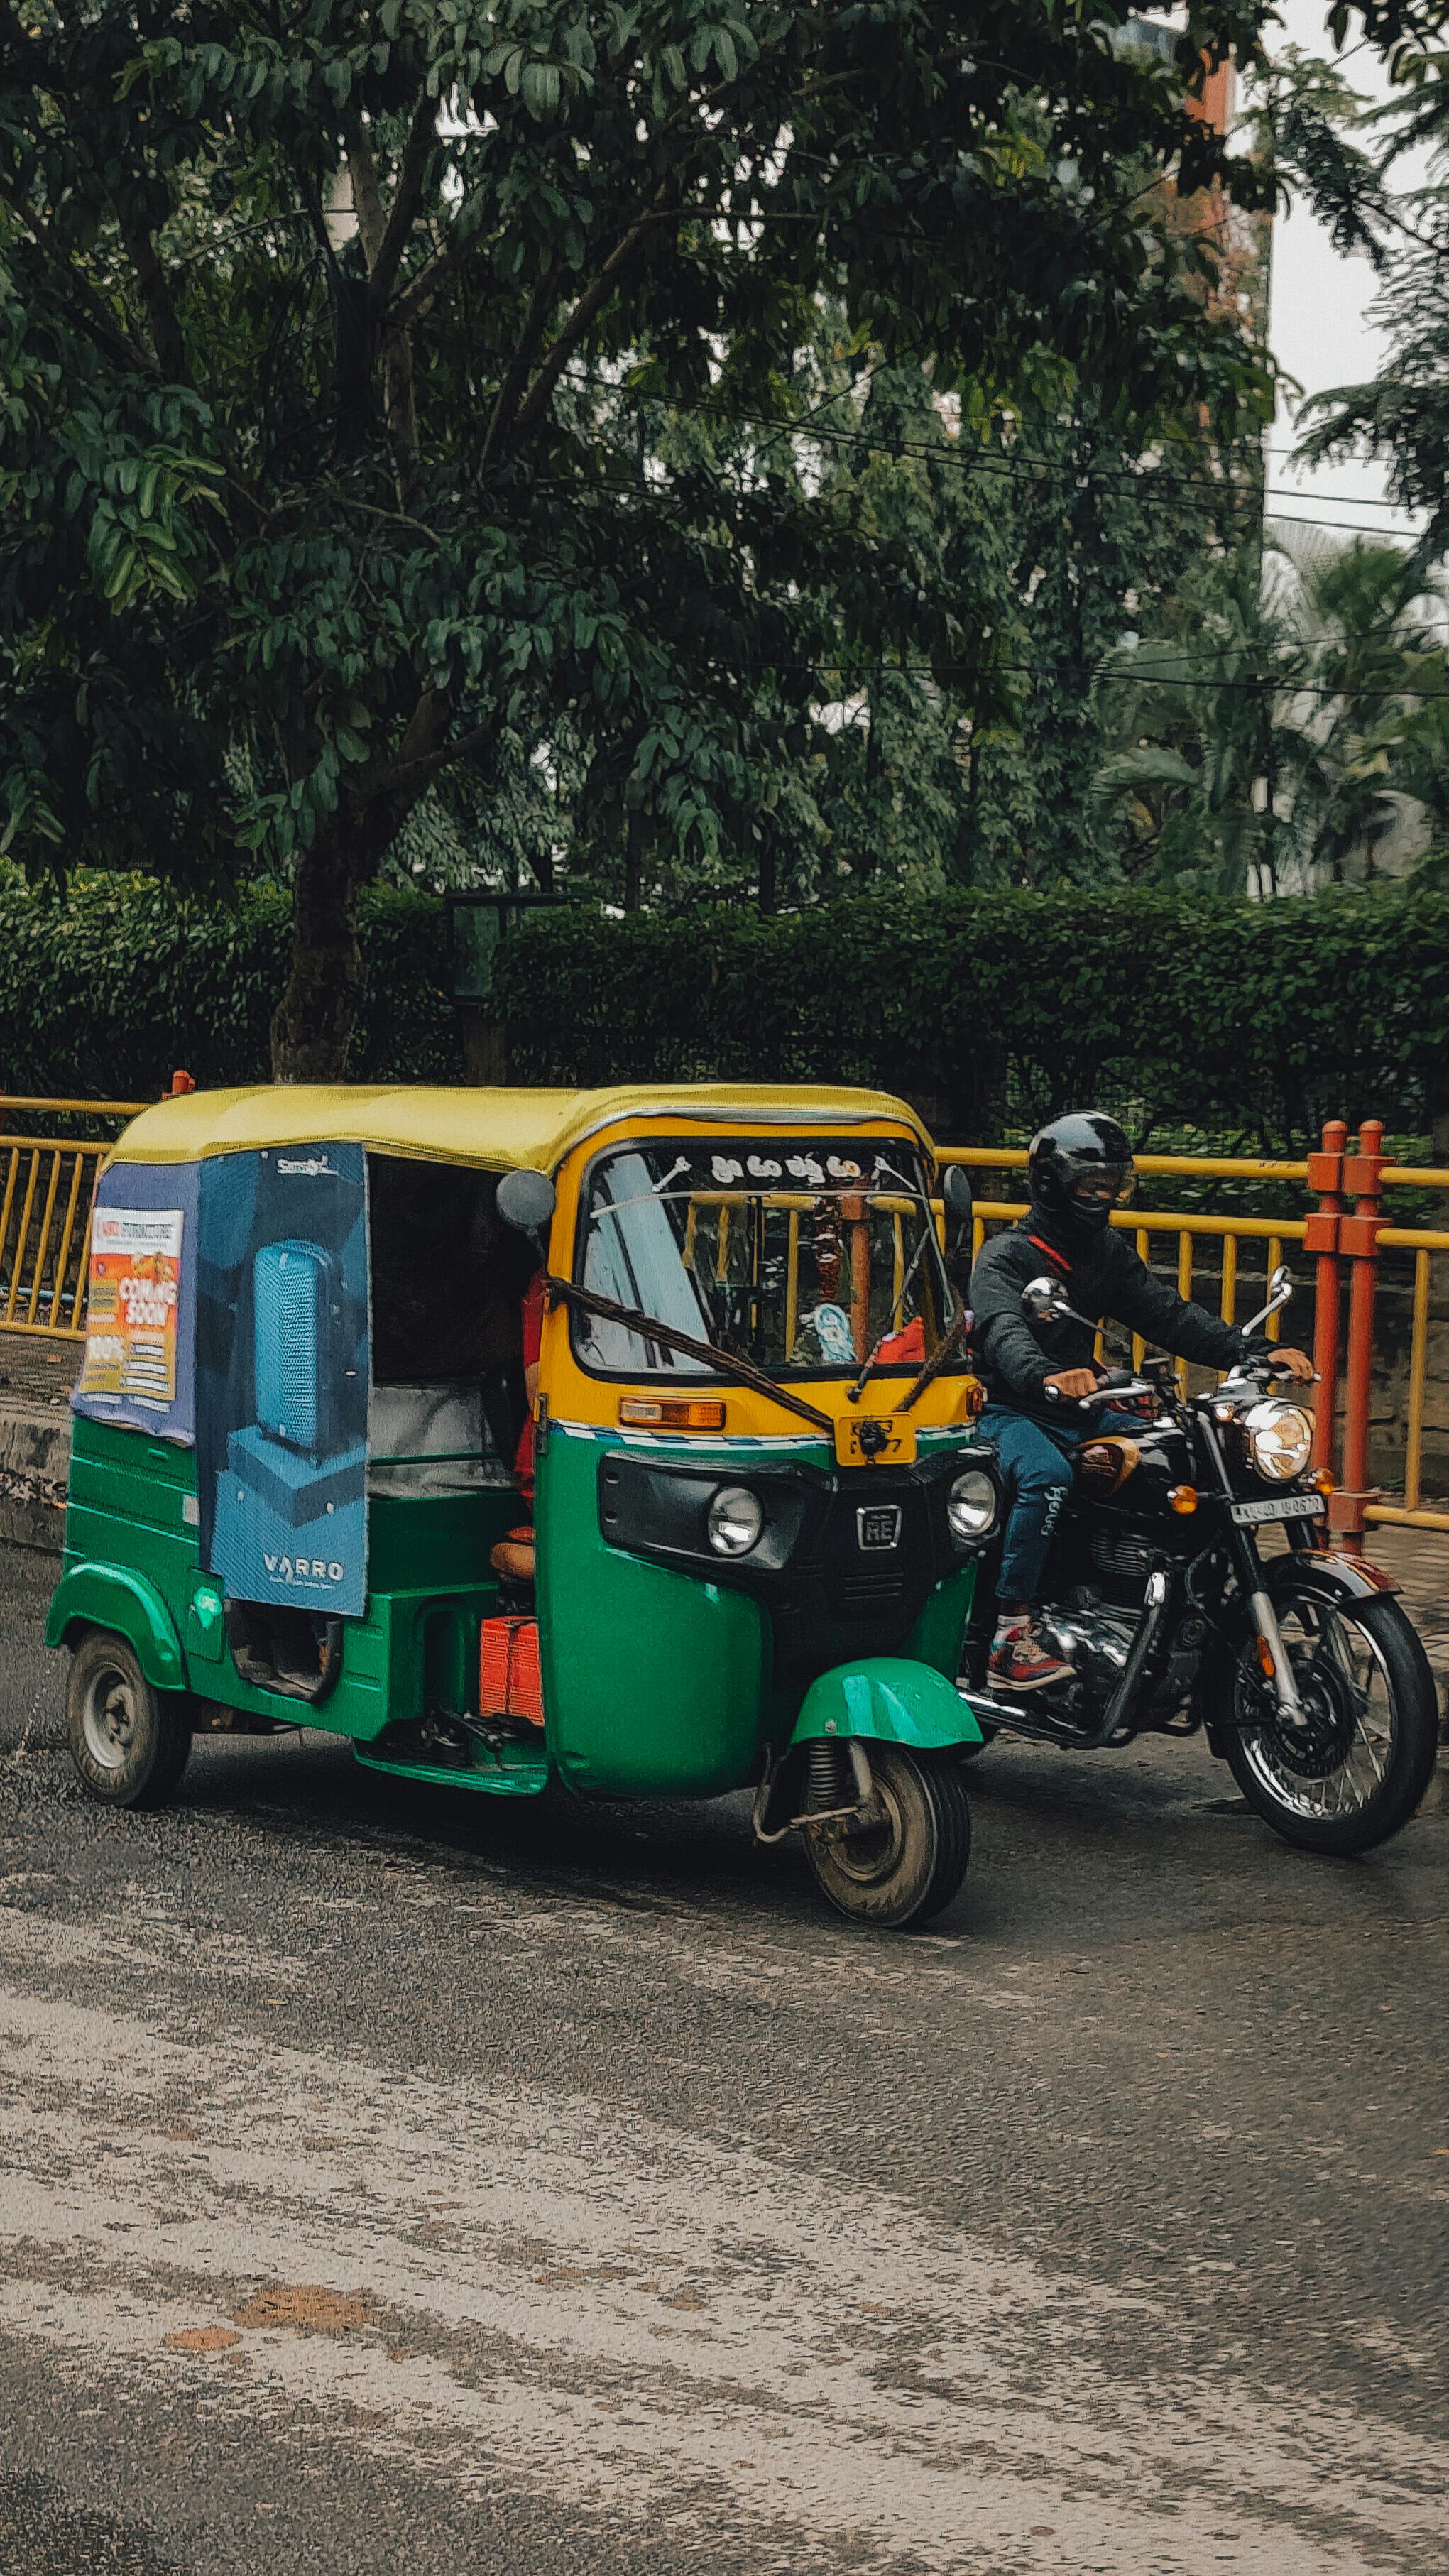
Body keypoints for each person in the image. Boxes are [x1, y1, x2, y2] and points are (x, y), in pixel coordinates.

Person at [969, 1111, 1315, 1693]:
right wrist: (1045, 1375)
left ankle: (1161, 1605)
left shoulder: (1104, 1251)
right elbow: (1002, 1329)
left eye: (1113, 1185)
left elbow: (1168, 1315)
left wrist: (1257, 1348)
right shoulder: (1007, 1256)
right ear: (1053, 1183)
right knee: (1046, 1476)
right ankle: (1010, 1632)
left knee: (1179, 1456)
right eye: (1090, 1185)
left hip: (1082, 1411)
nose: (1103, 1196)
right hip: (1012, 1410)